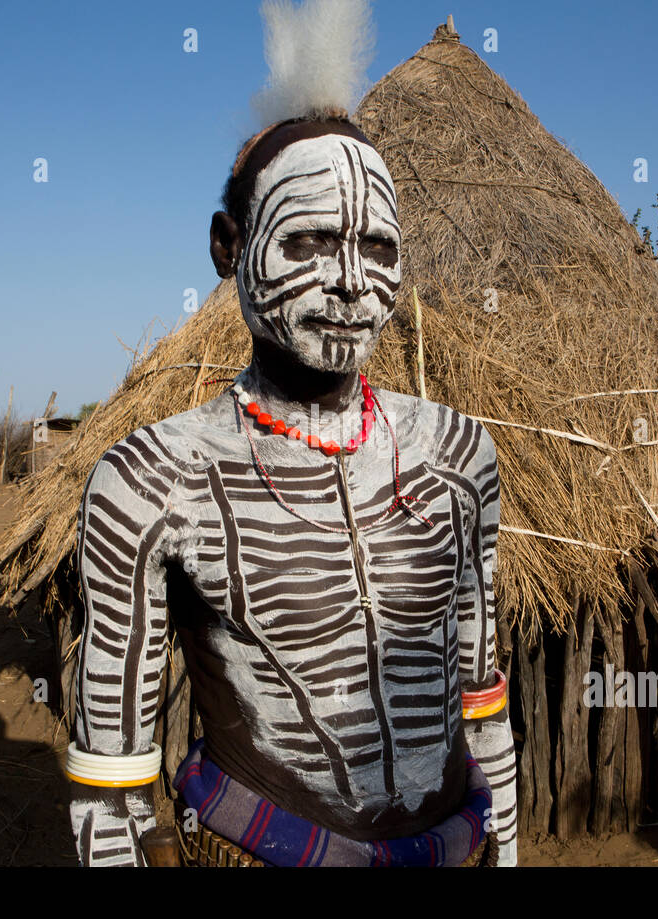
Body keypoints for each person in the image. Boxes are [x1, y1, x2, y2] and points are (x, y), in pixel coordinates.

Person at [64, 0, 516, 867]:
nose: (351, 283)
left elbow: (482, 712)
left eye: (378, 248)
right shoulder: (149, 484)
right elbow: (111, 781)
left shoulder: (461, 458)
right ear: (229, 246)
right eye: (308, 238)